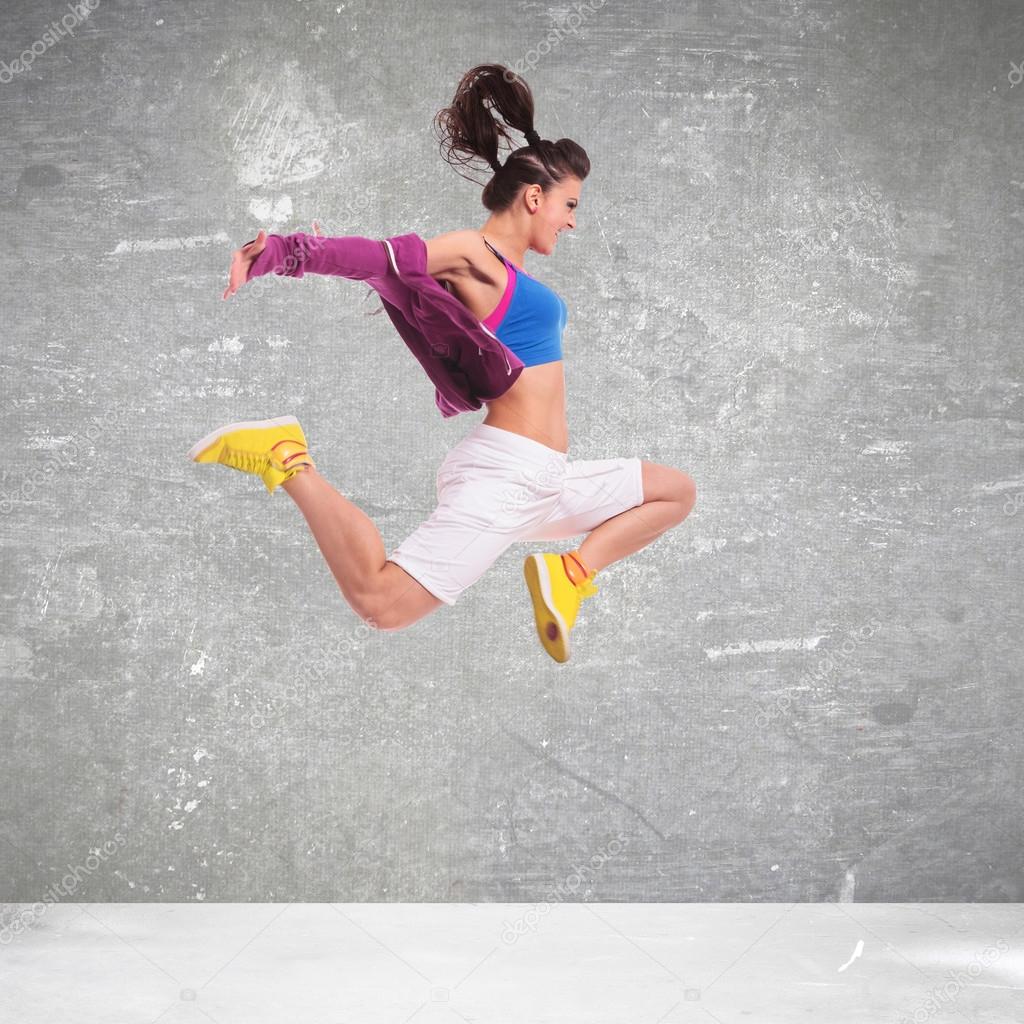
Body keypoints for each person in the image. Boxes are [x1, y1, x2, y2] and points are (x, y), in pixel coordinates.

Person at [188, 63, 696, 662]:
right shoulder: (472, 252)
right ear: (535, 197)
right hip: (508, 475)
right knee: (382, 602)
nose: (572, 221)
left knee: (674, 492)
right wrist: (281, 252)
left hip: (544, 478)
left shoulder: (510, 272)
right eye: (569, 204)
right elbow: (380, 259)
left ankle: (571, 575)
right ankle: (287, 458)